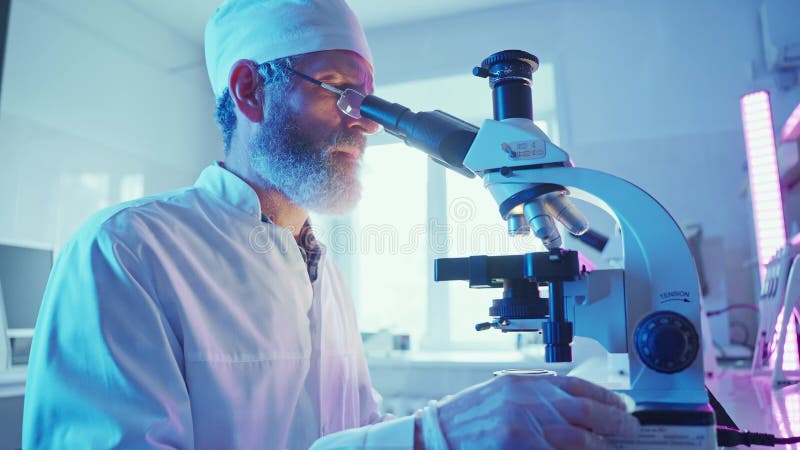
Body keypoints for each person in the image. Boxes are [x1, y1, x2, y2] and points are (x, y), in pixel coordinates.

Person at [21, 0, 640, 448]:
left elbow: (355, 438)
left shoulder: (321, 270)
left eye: (370, 98)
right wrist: (433, 437)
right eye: (340, 89)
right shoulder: (127, 254)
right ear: (250, 91)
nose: (367, 122)